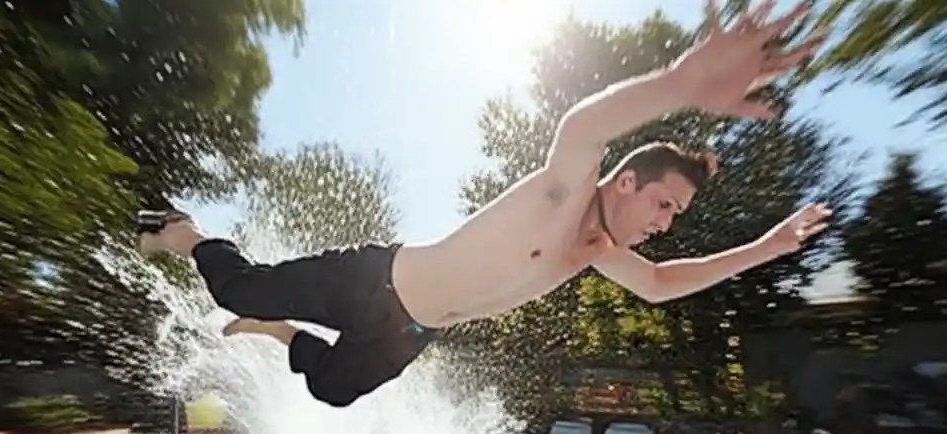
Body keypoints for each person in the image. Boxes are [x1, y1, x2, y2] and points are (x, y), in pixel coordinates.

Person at [138, 0, 833, 408]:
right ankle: (186, 232)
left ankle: (279, 332)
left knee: (334, 392)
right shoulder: (567, 190)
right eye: (664, 204)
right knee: (237, 288)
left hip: (408, 332)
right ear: (626, 181)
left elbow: (660, 285)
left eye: (673, 217)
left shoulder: (601, 253)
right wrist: (680, 84)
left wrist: (768, 247)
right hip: (371, 280)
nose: (664, 222)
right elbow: (583, 125)